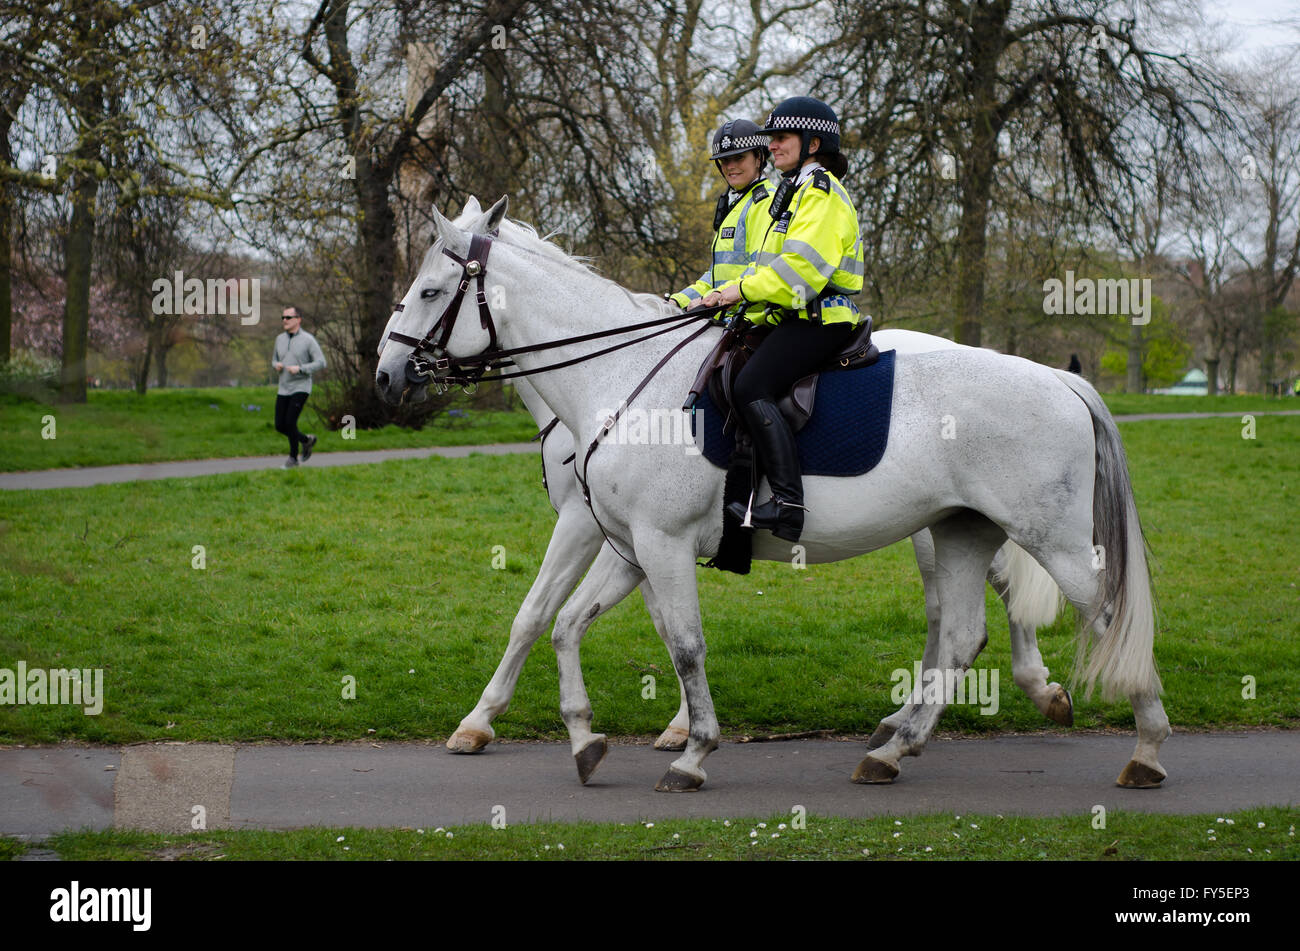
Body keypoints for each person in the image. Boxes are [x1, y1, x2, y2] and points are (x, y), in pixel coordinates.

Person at [700, 96, 865, 542]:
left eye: (781, 138)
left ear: (813, 142)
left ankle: (789, 501)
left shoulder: (821, 193)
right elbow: (764, 267)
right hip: (790, 315)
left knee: (750, 385)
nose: (772, 145)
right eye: (770, 138)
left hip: (820, 318)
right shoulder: (793, 194)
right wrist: (719, 297)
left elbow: (801, 274)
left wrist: (740, 291)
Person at [669, 119, 773, 314]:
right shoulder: (737, 204)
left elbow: (759, 268)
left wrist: (717, 296)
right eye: (725, 160)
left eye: (739, 157)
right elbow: (715, 275)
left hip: (751, 319)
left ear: (758, 158)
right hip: (727, 317)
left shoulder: (765, 202)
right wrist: (675, 302)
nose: (731, 166)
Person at [271, 305, 326, 468]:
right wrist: (277, 365)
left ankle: (292, 459)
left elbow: (321, 362)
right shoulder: (279, 339)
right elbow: (273, 360)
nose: (285, 321)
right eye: (283, 318)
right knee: (279, 425)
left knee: (290, 422)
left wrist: (301, 368)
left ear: (298, 319)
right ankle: (306, 440)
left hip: (301, 386)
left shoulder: (308, 340)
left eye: (288, 318)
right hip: (283, 387)